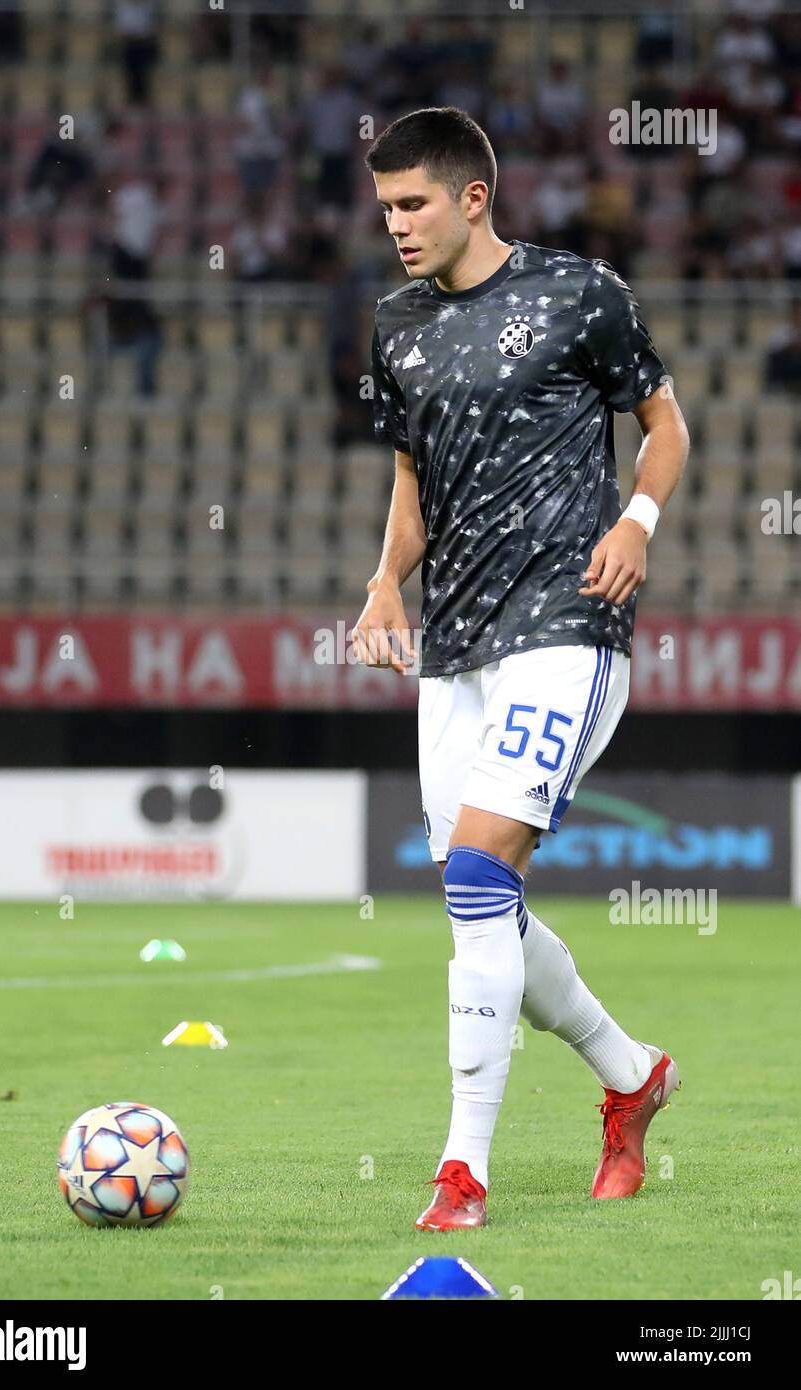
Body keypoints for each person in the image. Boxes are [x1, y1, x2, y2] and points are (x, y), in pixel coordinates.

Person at [355, 107, 689, 1231]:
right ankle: (630, 1073)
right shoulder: (394, 326)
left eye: (411, 203)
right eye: (384, 205)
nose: (394, 224)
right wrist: (379, 584)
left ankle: (461, 1172)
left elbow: (664, 421)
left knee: (478, 871)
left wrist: (636, 519)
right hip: (452, 641)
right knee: (476, 902)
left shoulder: (577, 293)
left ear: (470, 198)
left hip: (566, 622)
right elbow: (411, 476)